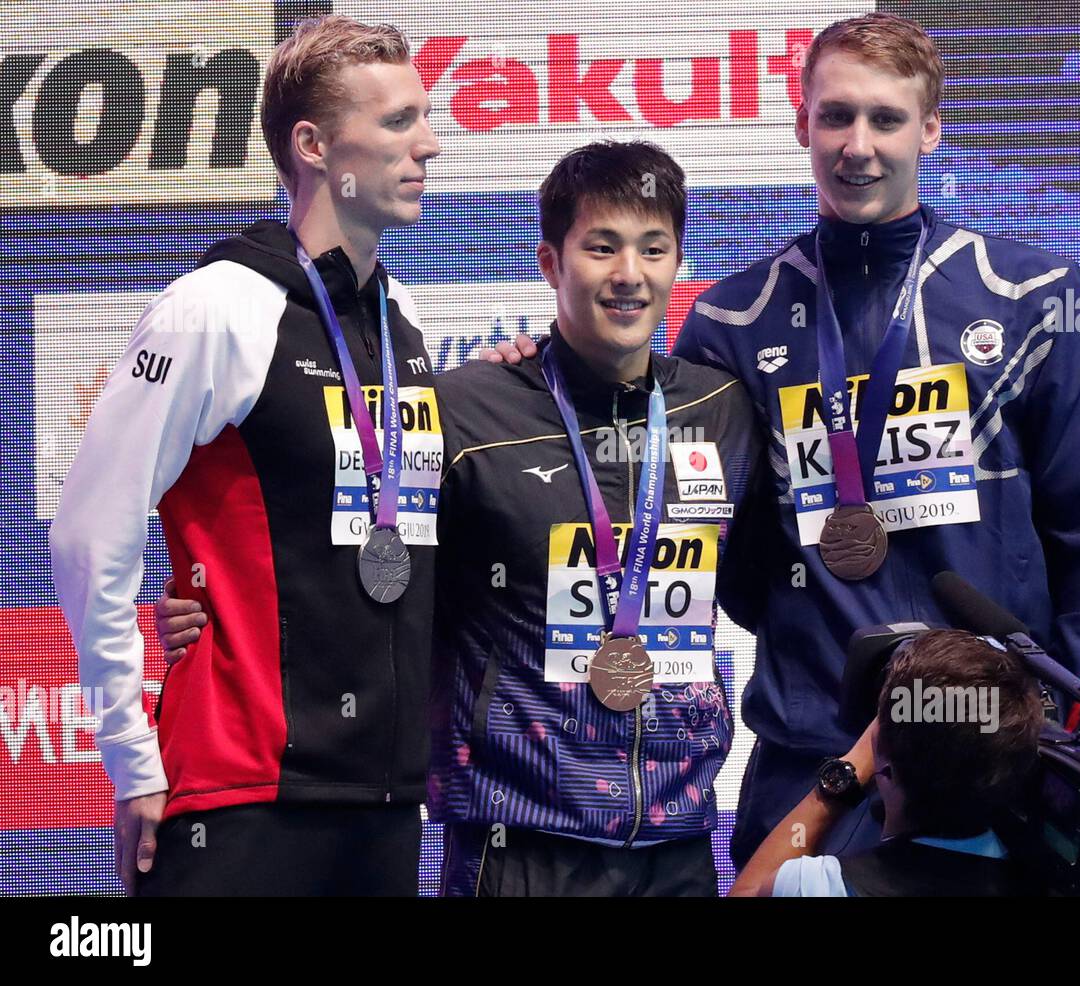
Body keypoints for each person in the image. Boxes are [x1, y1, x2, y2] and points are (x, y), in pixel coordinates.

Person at [487, 12, 1080, 868]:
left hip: (992, 762)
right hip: (809, 763)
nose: (857, 146)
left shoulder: (1034, 297)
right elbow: (708, 543)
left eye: (886, 119)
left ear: (931, 129)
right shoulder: (731, 322)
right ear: (801, 124)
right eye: (836, 116)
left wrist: (1070, 734)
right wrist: (531, 375)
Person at [161, 140, 768, 896]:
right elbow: (347, 571)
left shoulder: (722, 409)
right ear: (550, 263)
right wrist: (211, 607)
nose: (629, 274)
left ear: (678, 262)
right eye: (601, 247)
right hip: (517, 846)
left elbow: (770, 582)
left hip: (678, 847)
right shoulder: (464, 412)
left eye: (653, 249)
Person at [50, 14, 442, 895]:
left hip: (382, 801)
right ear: (313, 146)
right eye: (397, 121)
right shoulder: (214, 309)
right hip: (242, 799)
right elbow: (89, 534)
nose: (429, 144)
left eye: (423, 117)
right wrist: (131, 759)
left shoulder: (404, 319)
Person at [729, 629, 1046, 896]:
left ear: (885, 768)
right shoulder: (1053, 879)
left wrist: (849, 770)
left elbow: (748, 891)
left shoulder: (822, 885)